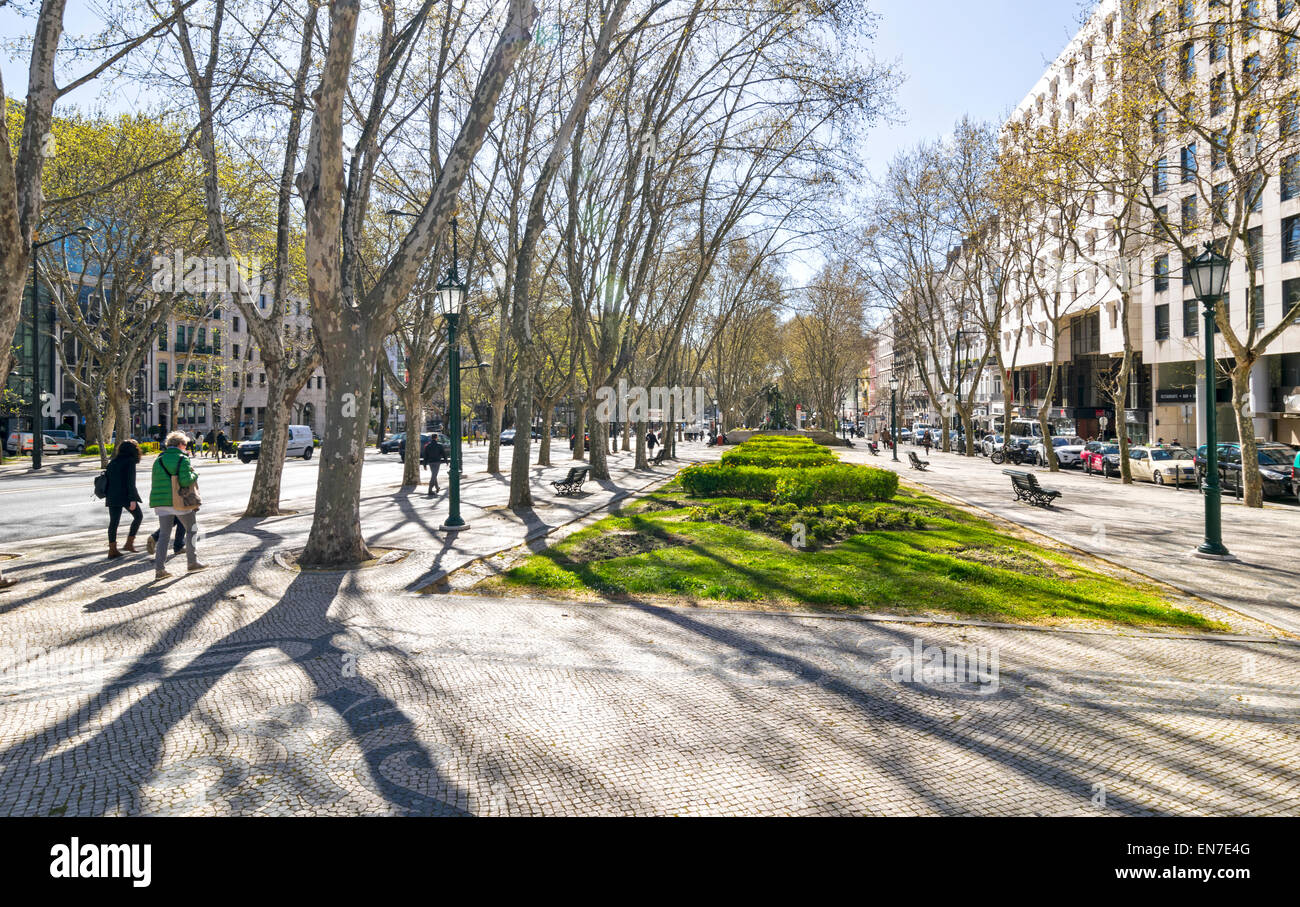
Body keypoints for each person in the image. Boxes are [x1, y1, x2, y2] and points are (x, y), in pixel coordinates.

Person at [150, 430, 205, 580]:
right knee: (192, 529)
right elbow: (186, 480)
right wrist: (195, 474)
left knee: (164, 535)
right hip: (179, 501)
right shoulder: (183, 459)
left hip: (161, 502)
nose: (186, 447)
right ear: (180, 444)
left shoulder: (158, 460)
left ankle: (159, 570)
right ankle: (192, 562)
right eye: (185, 444)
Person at [105, 439, 144, 559]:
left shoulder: (113, 462)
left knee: (114, 522)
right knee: (138, 516)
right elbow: (130, 483)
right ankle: (129, 543)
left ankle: (112, 549)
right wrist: (133, 499)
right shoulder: (130, 462)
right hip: (125, 496)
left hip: (112, 495)